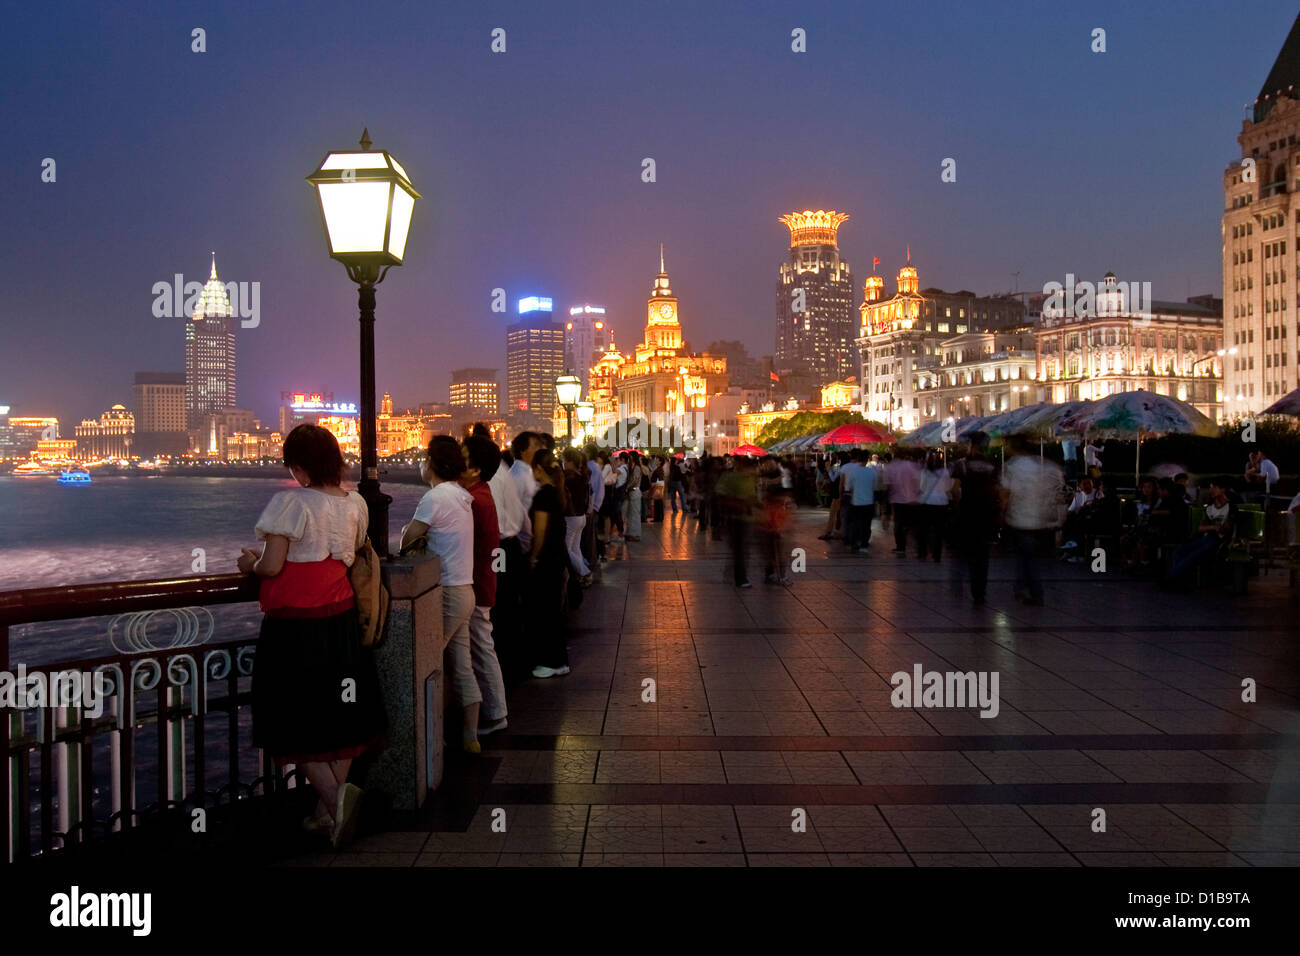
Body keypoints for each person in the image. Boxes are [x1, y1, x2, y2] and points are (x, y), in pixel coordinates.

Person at [241, 424, 384, 848]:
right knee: (339, 714)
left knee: (289, 717)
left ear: (299, 467)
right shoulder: (356, 502)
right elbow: (354, 550)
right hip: (339, 621)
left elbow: (271, 566)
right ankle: (329, 814)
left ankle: (338, 803)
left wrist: (247, 563)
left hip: (294, 627)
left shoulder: (290, 502)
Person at [400, 436, 482, 753]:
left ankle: (432, 738)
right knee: (462, 664)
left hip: (447, 591)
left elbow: (410, 535)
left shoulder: (435, 498)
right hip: (465, 590)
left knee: (429, 662)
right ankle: (470, 736)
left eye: (424, 459)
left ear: (432, 464)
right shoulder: (461, 495)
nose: (421, 464)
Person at [458, 434, 508, 737]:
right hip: (482, 581)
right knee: (481, 646)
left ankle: (496, 713)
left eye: (462, 455)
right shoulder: (480, 493)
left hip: (476, 584)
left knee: (481, 647)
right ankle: (494, 710)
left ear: (475, 469)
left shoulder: (474, 500)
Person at [484, 425, 529, 685]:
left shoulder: (492, 479)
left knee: (500, 605)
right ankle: (515, 662)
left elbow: (497, 524)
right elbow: (522, 516)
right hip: (510, 546)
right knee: (509, 604)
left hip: (500, 548)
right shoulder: (506, 473)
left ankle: (507, 669)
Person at [1001, 435, 1064, 606]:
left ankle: (1033, 591)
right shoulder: (1043, 465)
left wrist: (1001, 514)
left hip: (1020, 519)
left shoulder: (1012, 467)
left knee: (1027, 557)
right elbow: (1056, 488)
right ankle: (1025, 587)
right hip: (1040, 519)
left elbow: (1005, 494)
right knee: (1028, 556)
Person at [527, 450, 571, 677]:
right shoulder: (557, 491)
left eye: (533, 468)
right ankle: (559, 659)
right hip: (557, 556)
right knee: (554, 609)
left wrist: (533, 556)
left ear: (540, 469)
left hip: (546, 559)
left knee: (545, 610)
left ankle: (551, 661)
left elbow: (540, 531)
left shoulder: (544, 495)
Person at [949, 433, 999, 606]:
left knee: (964, 551)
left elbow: (955, 490)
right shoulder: (991, 465)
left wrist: (957, 505)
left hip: (967, 512)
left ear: (970, 445)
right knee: (982, 556)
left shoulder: (961, 465)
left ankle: (959, 582)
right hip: (986, 514)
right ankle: (979, 592)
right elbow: (996, 490)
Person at [1165, 478, 1237, 586]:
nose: (1211, 490)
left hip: (1220, 541)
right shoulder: (1210, 508)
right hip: (1207, 538)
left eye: (1214, 488)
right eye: (1210, 488)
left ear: (1222, 490)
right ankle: (1177, 579)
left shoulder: (1231, 507)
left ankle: (1171, 579)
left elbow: (1226, 528)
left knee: (1193, 555)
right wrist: (1213, 527)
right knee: (1178, 551)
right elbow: (1200, 528)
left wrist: (1212, 527)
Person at [716, 455, 757, 587]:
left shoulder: (750, 479)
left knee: (741, 549)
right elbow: (720, 493)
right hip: (735, 518)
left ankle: (734, 574)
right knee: (739, 549)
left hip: (747, 517)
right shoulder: (730, 477)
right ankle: (740, 578)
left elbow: (753, 496)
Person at [562, 448, 593, 585]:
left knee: (566, 550)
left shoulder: (568, 478)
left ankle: (585, 573)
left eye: (564, 461)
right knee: (575, 548)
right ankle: (581, 575)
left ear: (569, 462)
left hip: (571, 517)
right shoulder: (582, 476)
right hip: (581, 517)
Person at [841, 450, 880, 553]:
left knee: (855, 523)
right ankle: (864, 545)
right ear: (867, 459)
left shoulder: (854, 472)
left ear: (858, 459)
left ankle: (854, 544)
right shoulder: (872, 472)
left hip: (856, 502)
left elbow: (849, 487)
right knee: (866, 525)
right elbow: (875, 487)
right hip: (869, 502)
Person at [509, 431, 542, 550]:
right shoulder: (517, 475)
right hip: (523, 540)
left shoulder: (528, 472)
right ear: (523, 450)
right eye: (535, 445)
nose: (539, 449)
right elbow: (516, 512)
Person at [916, 451, 951, 562]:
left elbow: (922, 487)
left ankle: (923, 552)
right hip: (941, 503)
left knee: (923, 530)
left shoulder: (925, 472)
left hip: (927, 503)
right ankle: (937, 555)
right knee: (939, 532)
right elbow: (948, 487)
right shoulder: (945, 472)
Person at [885, 450, 922, 555]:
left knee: (899, 524)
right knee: (913, 524)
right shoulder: (912, 465)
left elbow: (888, 486)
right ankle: (919, 546)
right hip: (912, 499)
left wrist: (887, 507)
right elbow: (918, 481)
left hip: (897, 500)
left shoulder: (890, 467)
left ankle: (900, 547)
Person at [584, 445, 605, 567]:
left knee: (590, 535)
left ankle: (591, 559)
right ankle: (594, 557)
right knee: (592, 533)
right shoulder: (595, 466)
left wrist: (593, 505)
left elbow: (590, 487)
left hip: (591, 505)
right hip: (594, 504)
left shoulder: (591, 467)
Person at [819, 455, 843, 540]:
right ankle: (839, 532)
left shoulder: (841, 468)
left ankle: (828, 532)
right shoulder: (843, 467)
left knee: (833, 514)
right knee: (839, 514)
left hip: (838, 494)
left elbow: (833, 479)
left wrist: (829, 470)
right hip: (844, 494)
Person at [622, 452, 643, 541]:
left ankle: (635, 534)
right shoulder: (631, 467)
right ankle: (630, 533)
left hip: (634, 491)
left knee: (635, 514)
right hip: (631, 492)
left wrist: (627, 488)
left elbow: (635, 480)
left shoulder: (637, 468)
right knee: (630, 514)